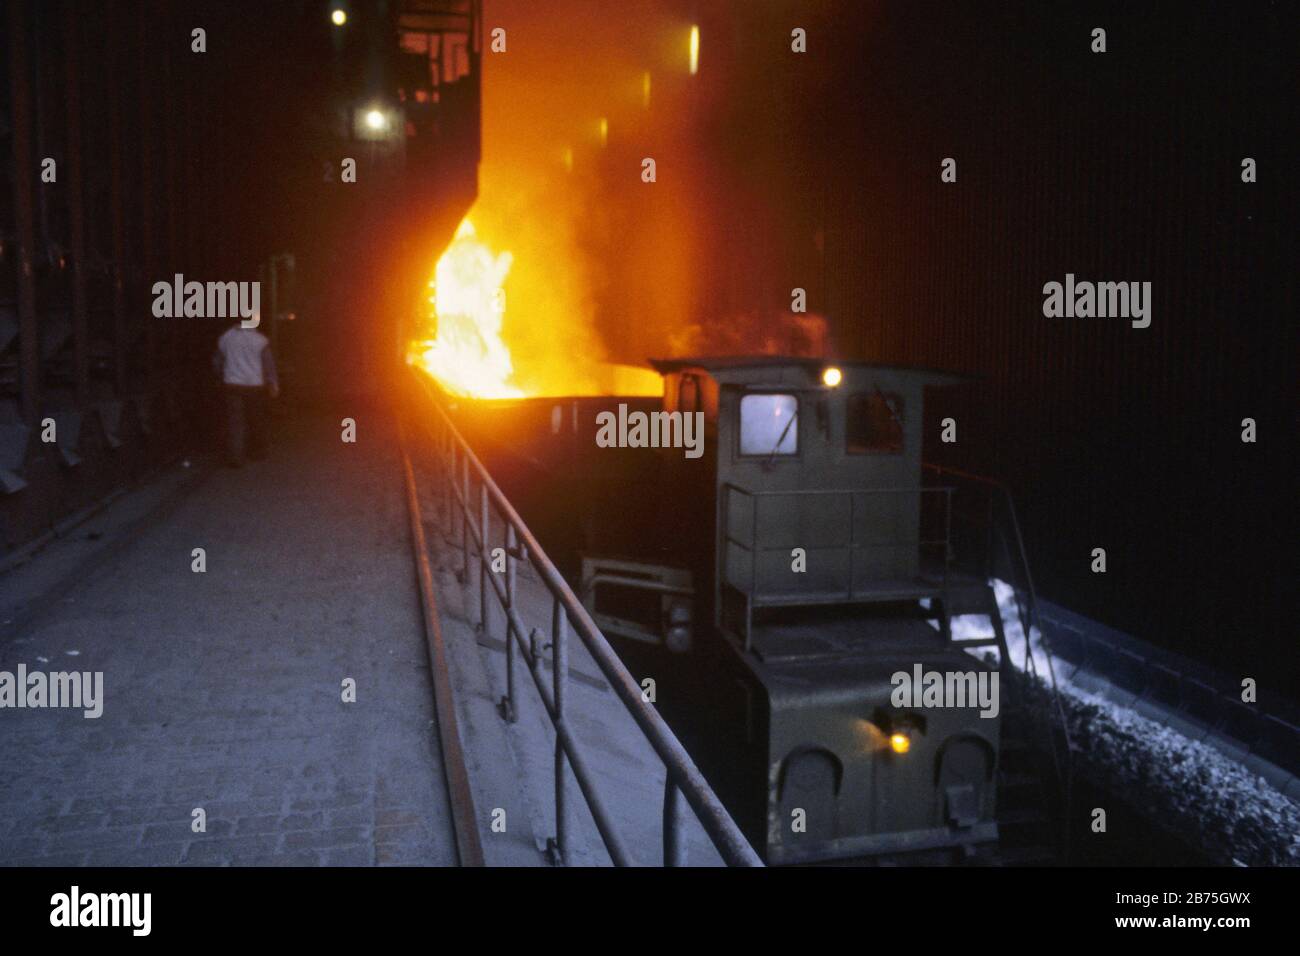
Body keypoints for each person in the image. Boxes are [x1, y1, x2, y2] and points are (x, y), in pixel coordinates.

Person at [213, 318, 278, 466]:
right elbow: (268, 364)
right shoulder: (260, 340)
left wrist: (219, 376)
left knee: (235, 422)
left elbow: (217, 361)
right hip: (254, 385)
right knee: (256, 419)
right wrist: (273, 383)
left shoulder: (226, 338)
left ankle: (236, 456)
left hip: (232, 384)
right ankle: (259, 451)